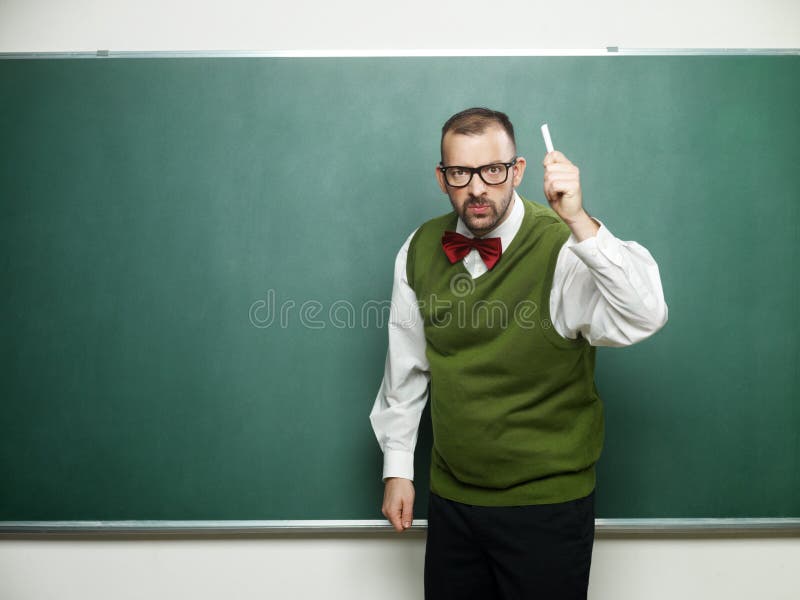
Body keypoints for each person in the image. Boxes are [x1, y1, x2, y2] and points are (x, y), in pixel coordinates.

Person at [369, 107, 668, 600]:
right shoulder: (419, 248)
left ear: (518, 170)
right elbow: (406, 367)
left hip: (547, 508)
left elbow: (646, 314)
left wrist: (578, 219)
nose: (477, 188)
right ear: (442, 179)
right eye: (460, 173)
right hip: (453, 501)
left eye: (493, 170)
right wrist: (397, 468)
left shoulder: (566, 249)